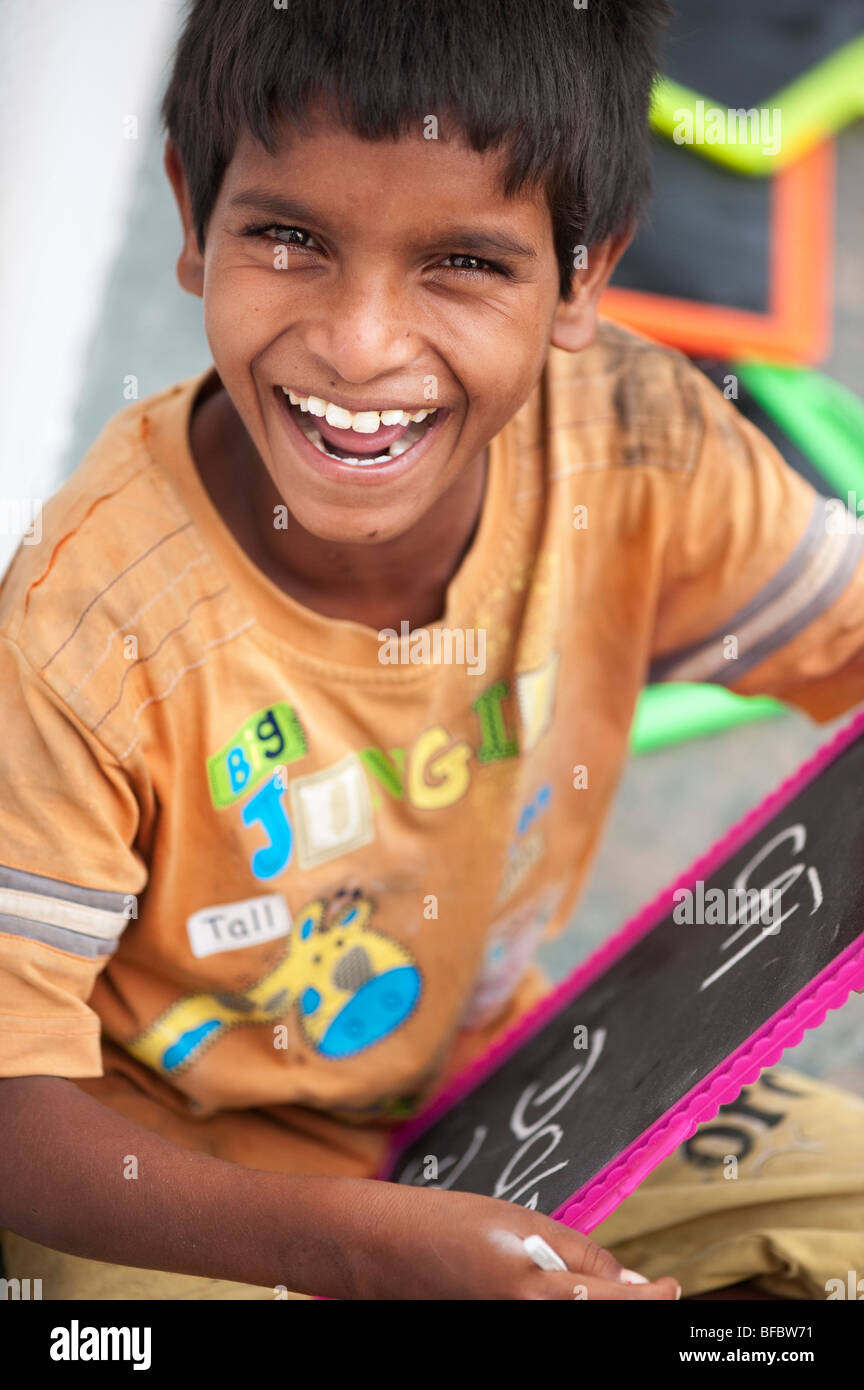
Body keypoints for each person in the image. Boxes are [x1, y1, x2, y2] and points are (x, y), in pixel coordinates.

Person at [1, 0, 862, 1301]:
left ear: (583, 275)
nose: (360, 345)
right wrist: (350, 1246)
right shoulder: (84, 627)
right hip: (180, 1169)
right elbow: (15, 1111)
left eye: (462, 261)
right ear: (192, 218)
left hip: (516, 1090)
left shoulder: (631, 435)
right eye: (290, 238)